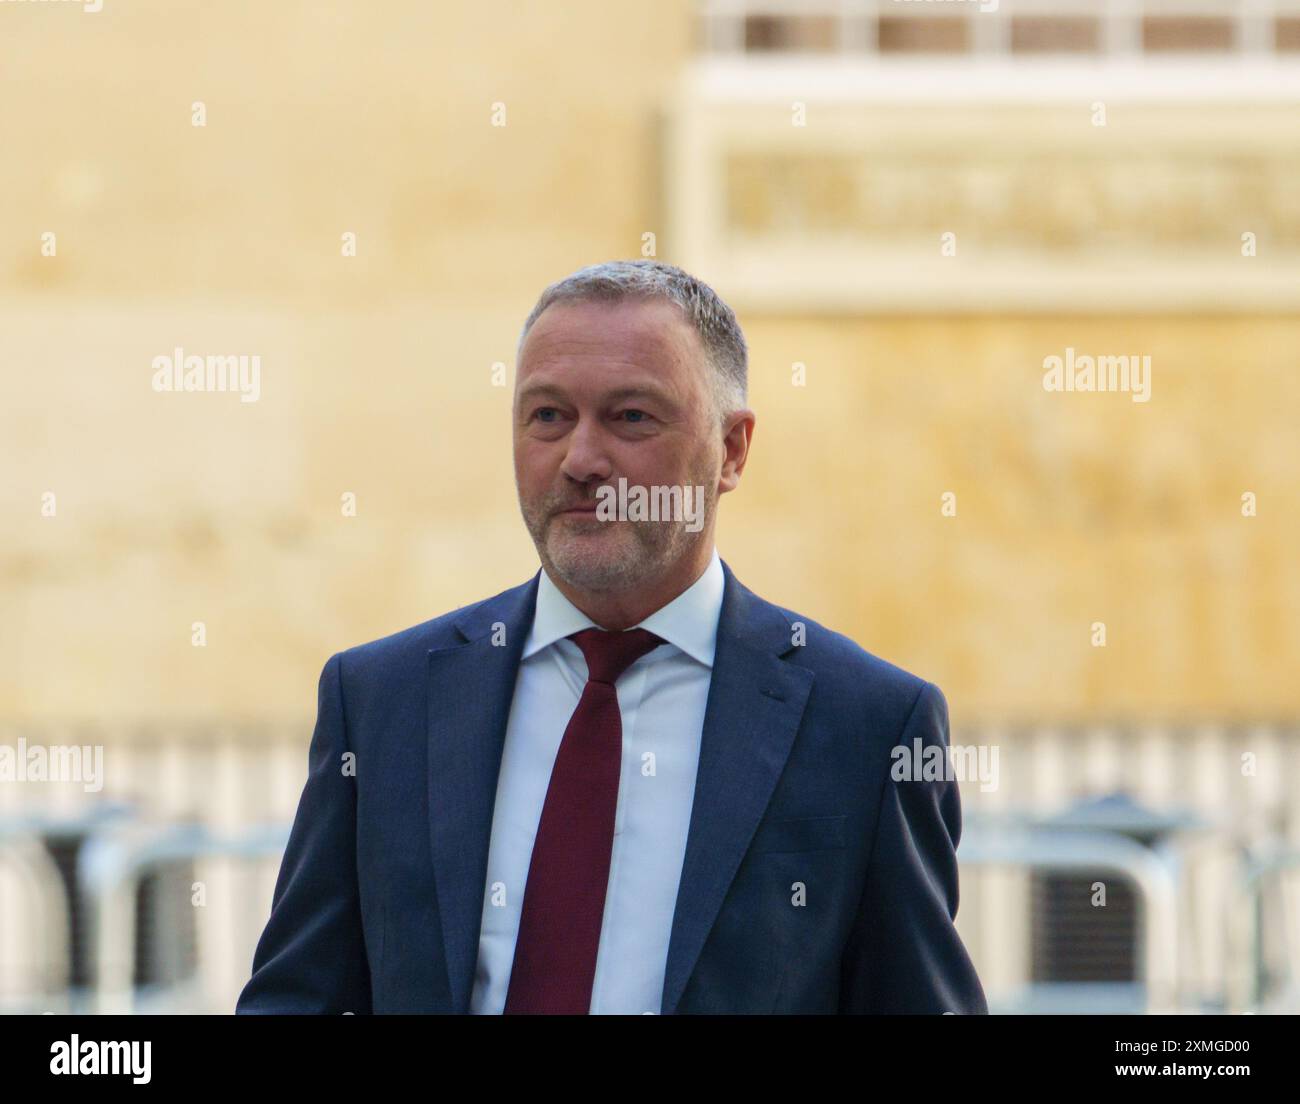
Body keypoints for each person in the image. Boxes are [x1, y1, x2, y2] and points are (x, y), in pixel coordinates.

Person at [236, 259, 987, 1014]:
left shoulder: (867, 725)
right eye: (548, 416)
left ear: (731, 451)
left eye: (631, 417)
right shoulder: (381, 703)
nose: (581, 461)